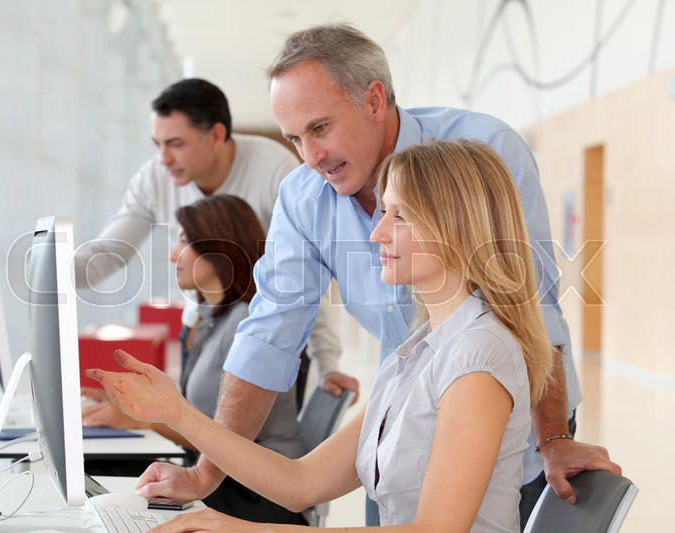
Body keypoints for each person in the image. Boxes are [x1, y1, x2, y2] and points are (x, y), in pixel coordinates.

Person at [126, 24, 620, 529]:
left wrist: (553, 437)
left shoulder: (480, 350)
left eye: (320, 128)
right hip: (409, 418)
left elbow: (532, 310)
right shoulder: (407, 357)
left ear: (375, 100)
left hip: (512, 418)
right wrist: (193, 446)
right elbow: (273, 346)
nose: (309, 157)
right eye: (294, 138)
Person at [89, 139, 567, 531]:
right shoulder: (416, 352)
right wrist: (177, 413)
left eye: (399, 216)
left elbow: (435, 531)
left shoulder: (479, 355)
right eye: (384, 212)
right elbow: (302, 482)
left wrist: (242, 529)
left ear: (456, 227)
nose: (377, 233)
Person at [73, 78, 359, 401]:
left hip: (270, 335)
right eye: (158, 144)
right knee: (195, 421)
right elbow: (107, 255)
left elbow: (304, 276)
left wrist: (327, 363)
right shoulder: (154, 178)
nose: (164, 158)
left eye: (175, 143)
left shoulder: (273, 169)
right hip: (201, 327)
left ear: (216, 135)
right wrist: (47, 269)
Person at [85, 194, 308, 525]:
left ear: (220, 246)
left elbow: (225, 437)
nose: (173, 255)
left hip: (255, 492)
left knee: (103, 474)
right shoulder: (210, 320)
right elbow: (200, 416)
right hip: (218, 474)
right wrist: (124, 402)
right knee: (100, 471)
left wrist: (144, 420)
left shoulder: (246, 325)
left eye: (184, 241)